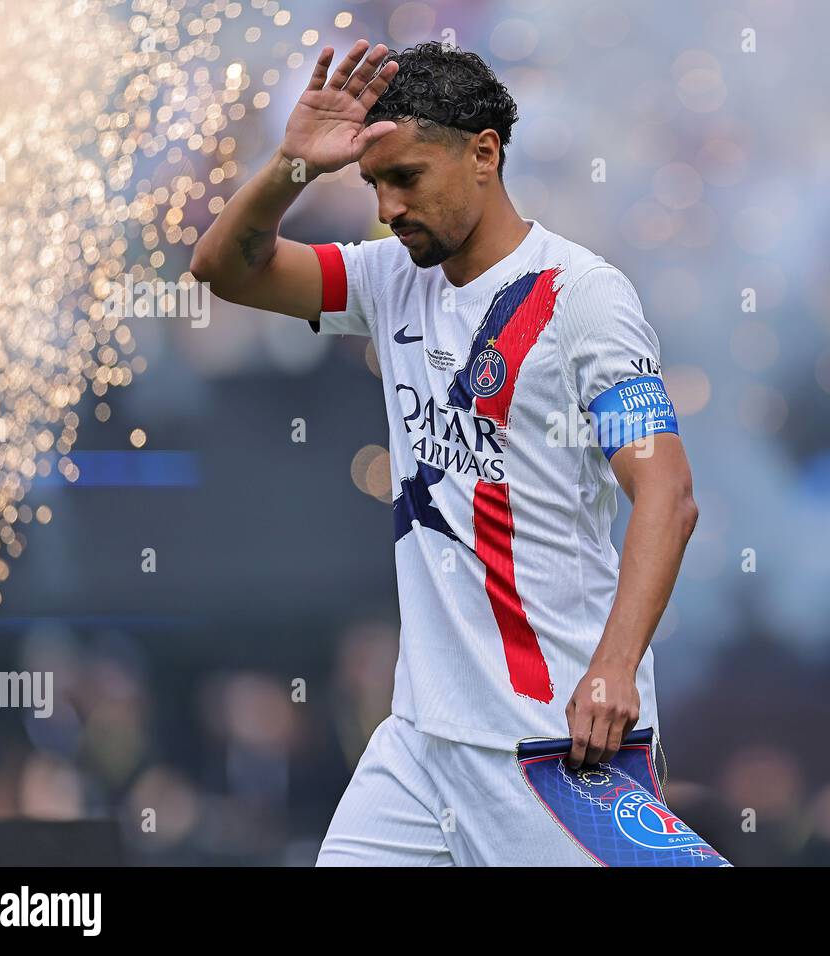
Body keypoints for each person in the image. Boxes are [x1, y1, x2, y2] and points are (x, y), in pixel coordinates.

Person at [190, 39, 698, 866]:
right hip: (419, 746)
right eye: (374, 184)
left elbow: (668, 494)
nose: (387, 206)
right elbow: (224, 269)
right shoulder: (391, 277)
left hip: (552, 741)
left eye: (408, 178)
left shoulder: (584, 296)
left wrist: (615, 669)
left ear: (484, 154)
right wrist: (291, 165)